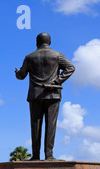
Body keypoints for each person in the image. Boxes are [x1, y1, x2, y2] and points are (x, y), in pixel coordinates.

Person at [15, 33, 75, 161]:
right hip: (52, 94)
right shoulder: (57, 55)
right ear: (50, 42)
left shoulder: (29, 57)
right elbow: (71, 68)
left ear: (37, 42)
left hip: (35, 95)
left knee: (35, 126)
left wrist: (17, 73)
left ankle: (35, 156)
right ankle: (49, 155)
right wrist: (57, 81)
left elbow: (21, 76)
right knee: (51, 125)